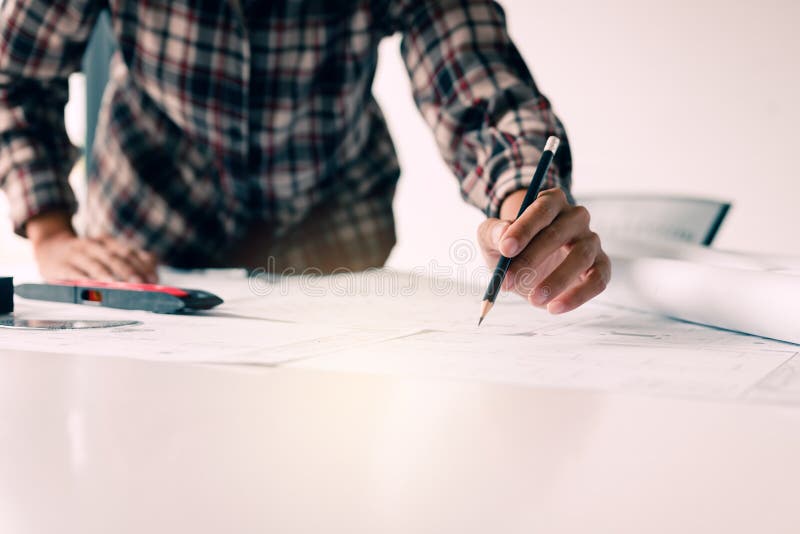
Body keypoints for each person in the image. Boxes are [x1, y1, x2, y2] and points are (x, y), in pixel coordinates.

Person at [0, 0, 610, 314]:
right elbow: (16, 78)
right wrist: (50, 232)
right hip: (144, 247)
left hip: (333, 246)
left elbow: (475, 81)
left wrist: (521, 210)